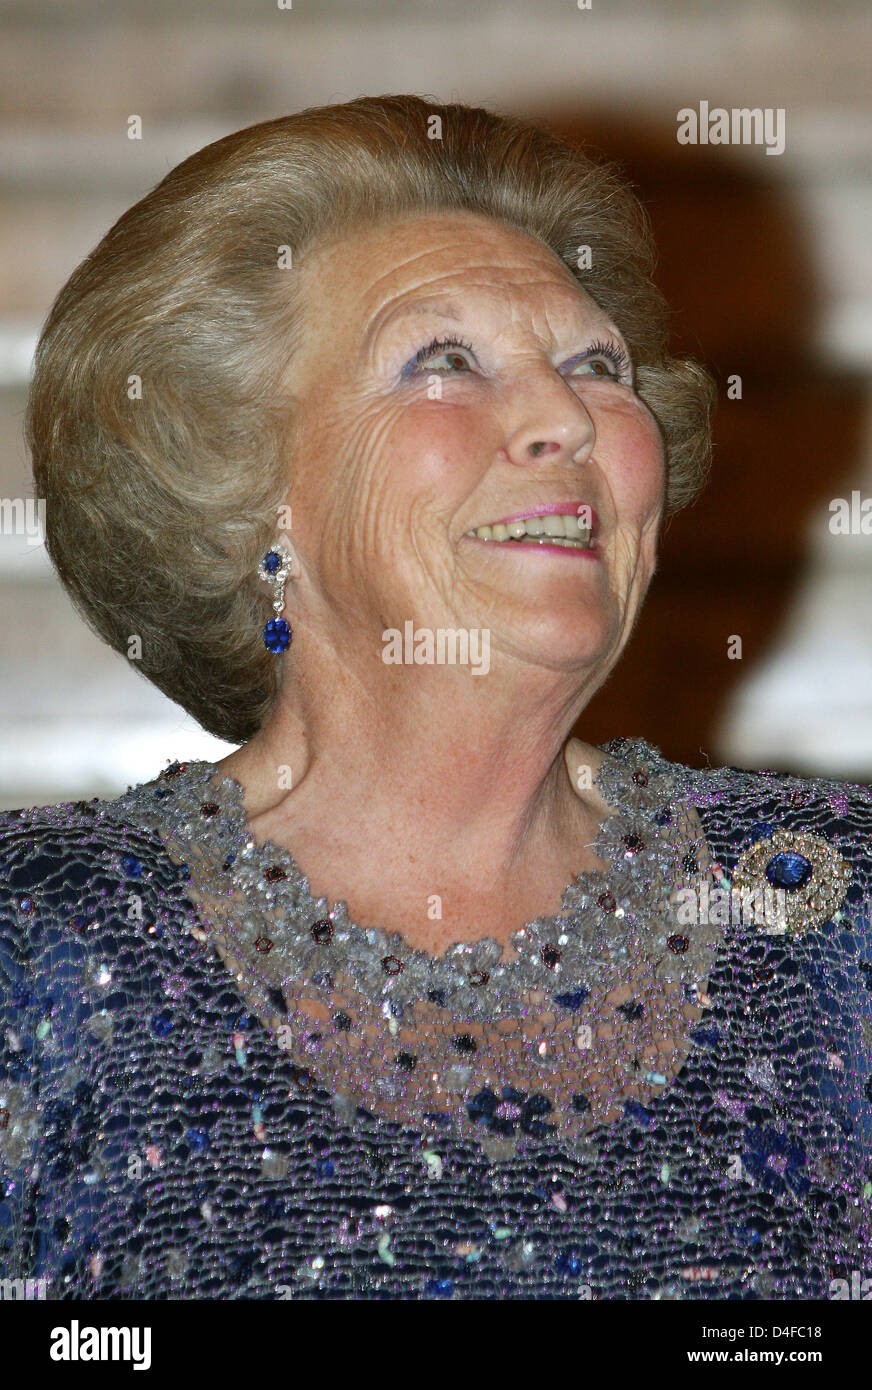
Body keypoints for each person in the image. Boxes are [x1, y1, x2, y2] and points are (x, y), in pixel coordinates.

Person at [1, 95, 869, 1301]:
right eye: (443, 360)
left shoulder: (825, 910)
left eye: (595, 366)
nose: (566, 417)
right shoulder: (38, 940)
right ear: (253, 494)